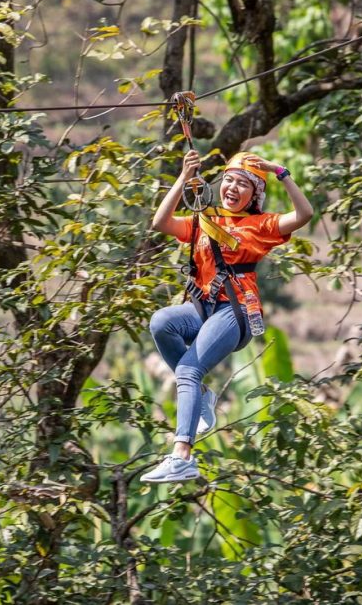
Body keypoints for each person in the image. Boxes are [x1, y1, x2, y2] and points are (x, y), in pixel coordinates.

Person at [141, 149, 313, 483]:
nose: (232, 188)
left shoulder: (260, 225)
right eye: (229, 180)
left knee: (190, 368)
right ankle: (201, 396)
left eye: (243, 184)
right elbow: (160, 222)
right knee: (161, 322)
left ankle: (182, 456)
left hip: (235, 313)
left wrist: (281, 172)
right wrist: (183, 177)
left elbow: (304, 214)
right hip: (203, 309)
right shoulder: (206, 221)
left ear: (254, 195)